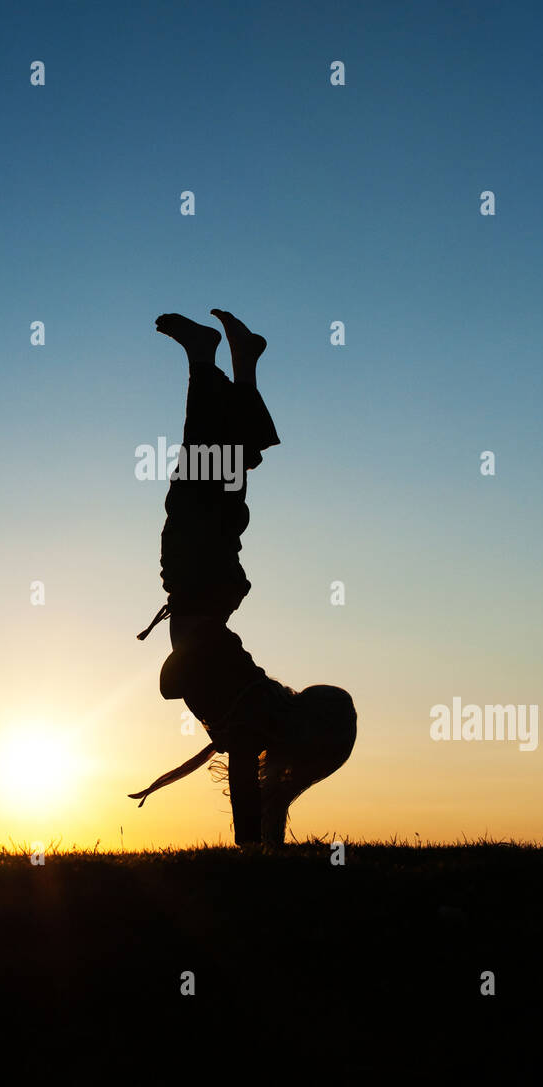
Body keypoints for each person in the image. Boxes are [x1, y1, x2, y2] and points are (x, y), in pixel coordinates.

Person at [129, 310, 357, 846]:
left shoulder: (257, 719)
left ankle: (235, 362)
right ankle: (209, 357)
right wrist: (250, 845)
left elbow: (250, 783)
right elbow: (174, 682)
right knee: (203, 469)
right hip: (201, 581)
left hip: (208, 581)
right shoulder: (255, 719)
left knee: (213, 467)